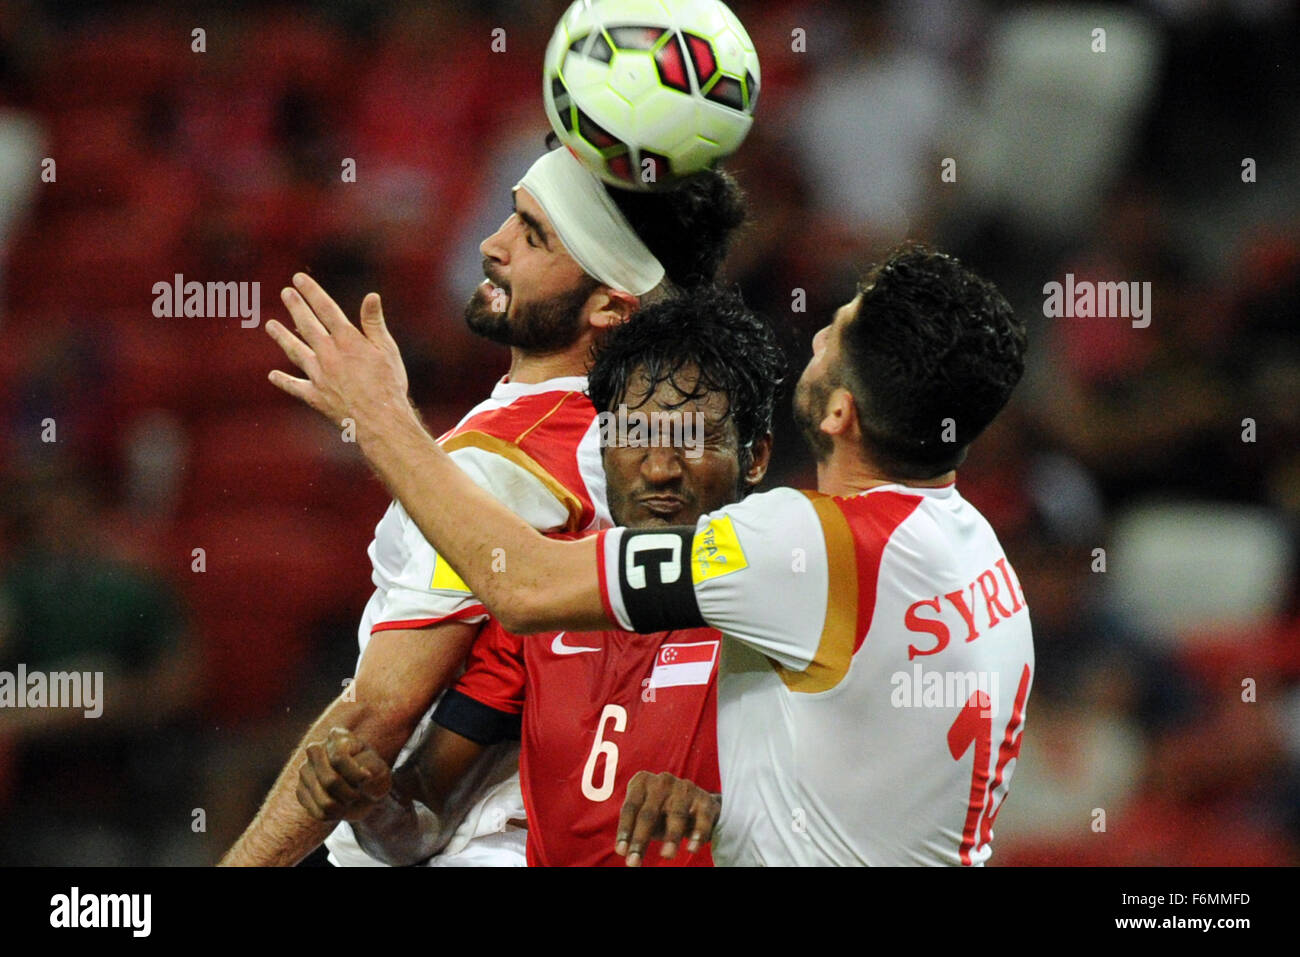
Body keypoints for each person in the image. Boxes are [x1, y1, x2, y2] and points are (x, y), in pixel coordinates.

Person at [266, 242, 1034, 866]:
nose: (662, 464)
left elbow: (525, 583)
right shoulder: (982, 565)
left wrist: (379, 418)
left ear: (832, 415)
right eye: (638, 432)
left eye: (837, 327)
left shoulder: (797, 551)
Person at [221, 146, 745, 867]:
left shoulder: (515, 459)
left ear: (608, 306)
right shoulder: (617, 442)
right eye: (512, 214)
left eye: (533, 236)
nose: (491, 244)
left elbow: (377, 712)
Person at [293, 287, 783, 867]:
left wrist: (730, 814)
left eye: (693, 438)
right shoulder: (546, 602)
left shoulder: (790, 590)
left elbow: (871, 806)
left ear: (754, 457)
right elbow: (418, 824)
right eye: (636, 435)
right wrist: (369, 806)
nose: (659, 468)